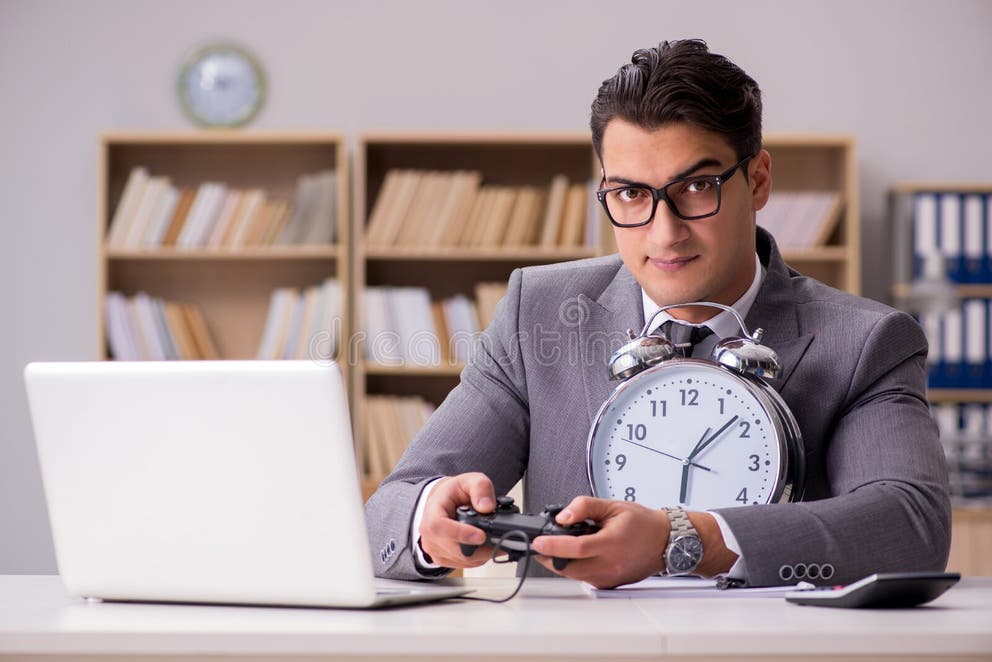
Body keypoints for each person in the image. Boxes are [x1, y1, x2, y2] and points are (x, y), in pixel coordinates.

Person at [364, 39, 951, 589]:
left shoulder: (866, 341)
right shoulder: (537, 315)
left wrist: (690, 539)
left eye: (696, 187)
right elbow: (388, 511)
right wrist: (429, 519)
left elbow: (910, 525)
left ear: (759, 179)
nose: (663, 232)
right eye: (630, 194)